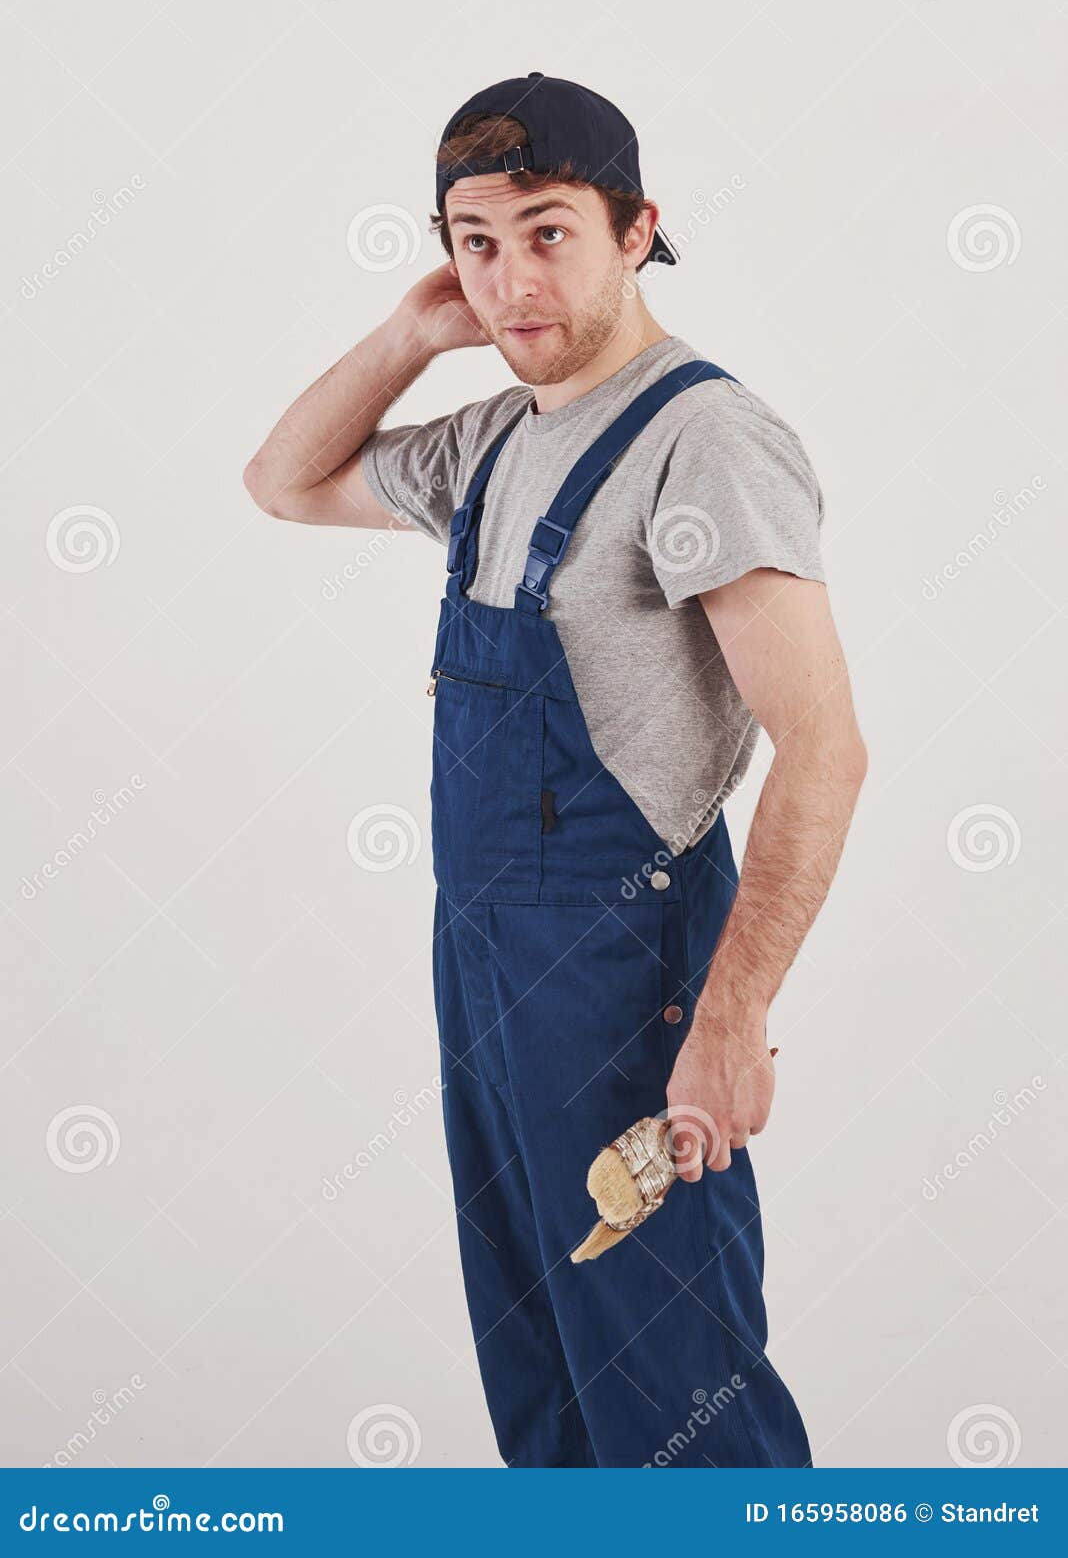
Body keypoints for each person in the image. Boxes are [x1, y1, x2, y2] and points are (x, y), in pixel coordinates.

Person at [244, 71, 868, 1468]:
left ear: (638, 227)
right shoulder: (497, 439)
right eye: (475, 241)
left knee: (672, 1376)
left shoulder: (705, 441)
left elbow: (827, 751)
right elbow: (281, 480)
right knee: (543, 1365)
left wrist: (731, 1014)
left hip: (626, 965)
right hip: (484, 954)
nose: (510, 277)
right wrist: (412, 334)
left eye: (546, 230)